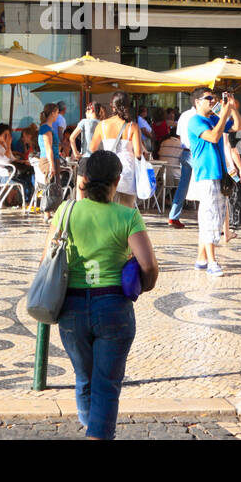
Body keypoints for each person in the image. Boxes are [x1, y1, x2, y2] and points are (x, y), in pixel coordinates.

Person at [47, 150, 159, 440]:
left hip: (71, 308)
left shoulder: (65, 212)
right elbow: (148, 265)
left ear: (83, 179)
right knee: (106, 384)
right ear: (117, 181)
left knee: (85, 378)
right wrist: (143, 286)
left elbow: (47, 259)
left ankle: (93, 428)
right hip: (113, 307)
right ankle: (97, 433)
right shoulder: (127, 215)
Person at [186, 88, 241, 276]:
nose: (213, 101)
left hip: (219, 174)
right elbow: (213, 137)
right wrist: (224, 113)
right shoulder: (195, 121)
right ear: (197, 102)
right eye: (208, 98)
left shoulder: (213, 119)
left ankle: (201, 259)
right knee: (209, 217)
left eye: (214, 98)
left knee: (216, 218)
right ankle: (212, 262)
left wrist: (232, 108)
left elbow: (238, 127)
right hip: (206, 175)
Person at [89, 91, 145, 208]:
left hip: (107, 172)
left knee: (107, 208)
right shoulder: (132, 126)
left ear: (112, 105)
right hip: (127, 173)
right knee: (127, 209)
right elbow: (138, 153)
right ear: (127, 106)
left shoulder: (102, 125)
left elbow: (92, 148)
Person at [165, 101, 199, 229]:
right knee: (205, 184)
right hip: (196, 153)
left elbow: (179, 135)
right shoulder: (199, 116)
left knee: (183, 186)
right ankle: (206, 219)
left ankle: (173, 216)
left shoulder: (184, 115)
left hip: (184, 152)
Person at [0, 123, 33, 208]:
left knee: (30, 175)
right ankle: (27, 202)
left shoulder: (4, 145)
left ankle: (29, 201)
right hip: (3, 176)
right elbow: (6, 161)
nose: (8, 137)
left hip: (11, 173)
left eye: (9, 135)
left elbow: (12, 159)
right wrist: (8, 145)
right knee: (25, 180)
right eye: (5, 135)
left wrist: (23, 162)